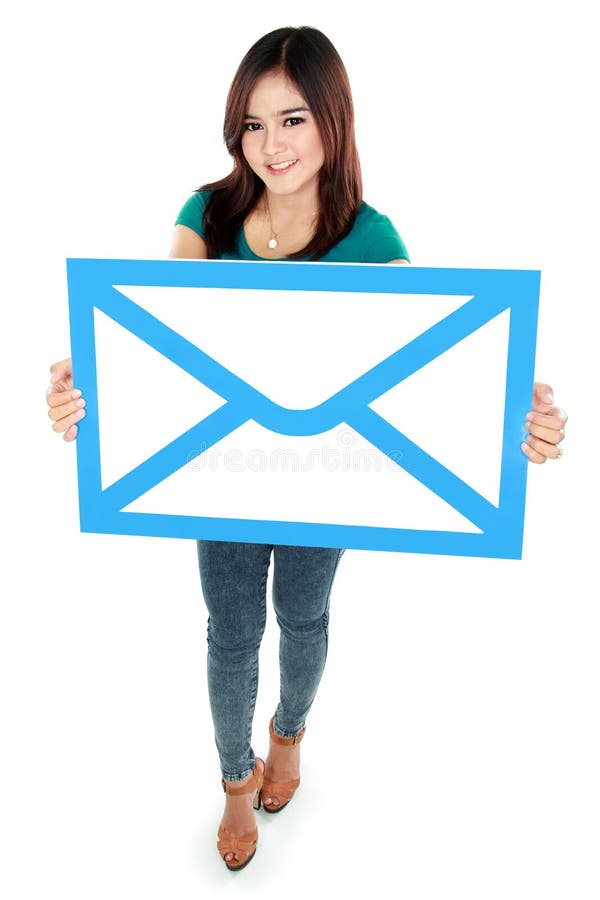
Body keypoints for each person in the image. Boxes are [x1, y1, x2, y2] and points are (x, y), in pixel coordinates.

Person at [46, 26, 568, 872]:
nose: (272, 145)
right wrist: (88, 386)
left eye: (292, 119)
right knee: (228, 632)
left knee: (303, 615)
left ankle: (288, 734)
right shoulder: (207, 213)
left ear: (333, 118)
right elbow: (152, 319)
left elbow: (444, 357)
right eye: (253, 125)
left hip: (328, 478)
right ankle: (233, 782)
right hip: (221, 476)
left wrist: (516, 416)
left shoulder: (368, 235)